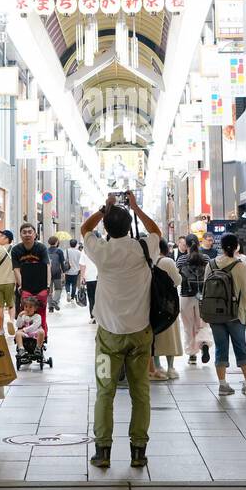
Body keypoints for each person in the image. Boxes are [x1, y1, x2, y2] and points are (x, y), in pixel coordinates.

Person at [81, 191, 161, 470]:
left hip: (108, 337)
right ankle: (138, 452)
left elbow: (84, 229)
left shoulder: (101, 251)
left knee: (105, 392)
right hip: (141, 335)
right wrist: (137, 208)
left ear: (106, 227)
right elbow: (155, 230)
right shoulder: (142, 248)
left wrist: (106, 207)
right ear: (129, 226)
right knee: (141, 392)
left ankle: (103, 452)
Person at [210, 233, 246, 395]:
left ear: (220, 246)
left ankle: (223, 385)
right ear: (236, 246)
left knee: (220, 348)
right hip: (236, 314)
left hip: (215, 314)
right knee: (241, 347)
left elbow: (205, 289)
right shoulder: (240, 266)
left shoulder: (211, 264)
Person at [150, 239, 183, 380]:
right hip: (168, 305)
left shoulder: (149, 261)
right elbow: (177, 280)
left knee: (156, 336)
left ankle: (157, 366)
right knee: (171, 336)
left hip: (153, 304)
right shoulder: (168, 262)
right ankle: (170, 367)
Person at [176, 233, 212, 365]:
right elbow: (210, 275)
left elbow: (176, 277)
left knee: (188, 326)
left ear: (186, 246)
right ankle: (204, 345)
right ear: (198, 244)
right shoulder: (206, 258)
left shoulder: (181, 260)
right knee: (202, 324)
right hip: (203, 296)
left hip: (186, 296)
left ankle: (192, 355)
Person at [11, 223, 49, 318]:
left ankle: (42, 332)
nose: (27, 234)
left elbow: (47, 267)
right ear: (20, 235)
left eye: (30, 232)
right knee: (24, 314)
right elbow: (16, 269)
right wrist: (22, 286)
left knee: (40, 313)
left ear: (35, 234)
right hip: (24, 286)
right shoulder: (15, 250)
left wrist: (47, 285)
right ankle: (24, 332)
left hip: (40, 285)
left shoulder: (41, 248)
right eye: (24, 232)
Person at [0, 229, 17, 334]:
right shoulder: (15, 251)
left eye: (1, 236)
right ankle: (11, 321)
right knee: (11, 304)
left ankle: (1, 329)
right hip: (11, 282)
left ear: (6, 239)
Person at [81, 241, 99, 323]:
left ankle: (93, 316)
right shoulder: (100, 249)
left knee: (91, 298)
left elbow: (82, 265)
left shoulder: (85, 250)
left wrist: (82, 276)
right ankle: (100, 317)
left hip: (89, 278)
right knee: (99, 298)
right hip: (99, 278)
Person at [47, 235, 66, 312]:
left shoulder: (46, 251)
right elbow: (62, 263)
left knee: (49, 290)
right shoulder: (59, 251)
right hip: (57, 273)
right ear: (56, 242)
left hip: (48, 273)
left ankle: (50, 307)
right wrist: (63, 272)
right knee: (58, 288)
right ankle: (55, 301)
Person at [64, 238, 82, 305]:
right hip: (76, 271)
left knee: (67, 283)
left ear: (70, 244)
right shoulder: (79, 252)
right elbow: (80, 262)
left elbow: (64, 260)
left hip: (68, 270)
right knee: (74, 284)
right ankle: (72, 298)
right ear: (76, 244)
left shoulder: (66, 251)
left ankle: (68, 292)